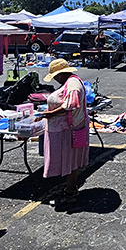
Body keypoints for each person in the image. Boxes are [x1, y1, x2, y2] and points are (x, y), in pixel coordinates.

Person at [40, 59, 90, 205]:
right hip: (67, 128)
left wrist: (52, 113)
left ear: (61, 74)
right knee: (70, 159)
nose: (55, 79)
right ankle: (71, 188)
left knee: (69, 159)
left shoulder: (73, 84)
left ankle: (70, 191)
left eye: (55, 76)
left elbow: (72, 104)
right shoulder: (70, 82)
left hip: (68, 129)